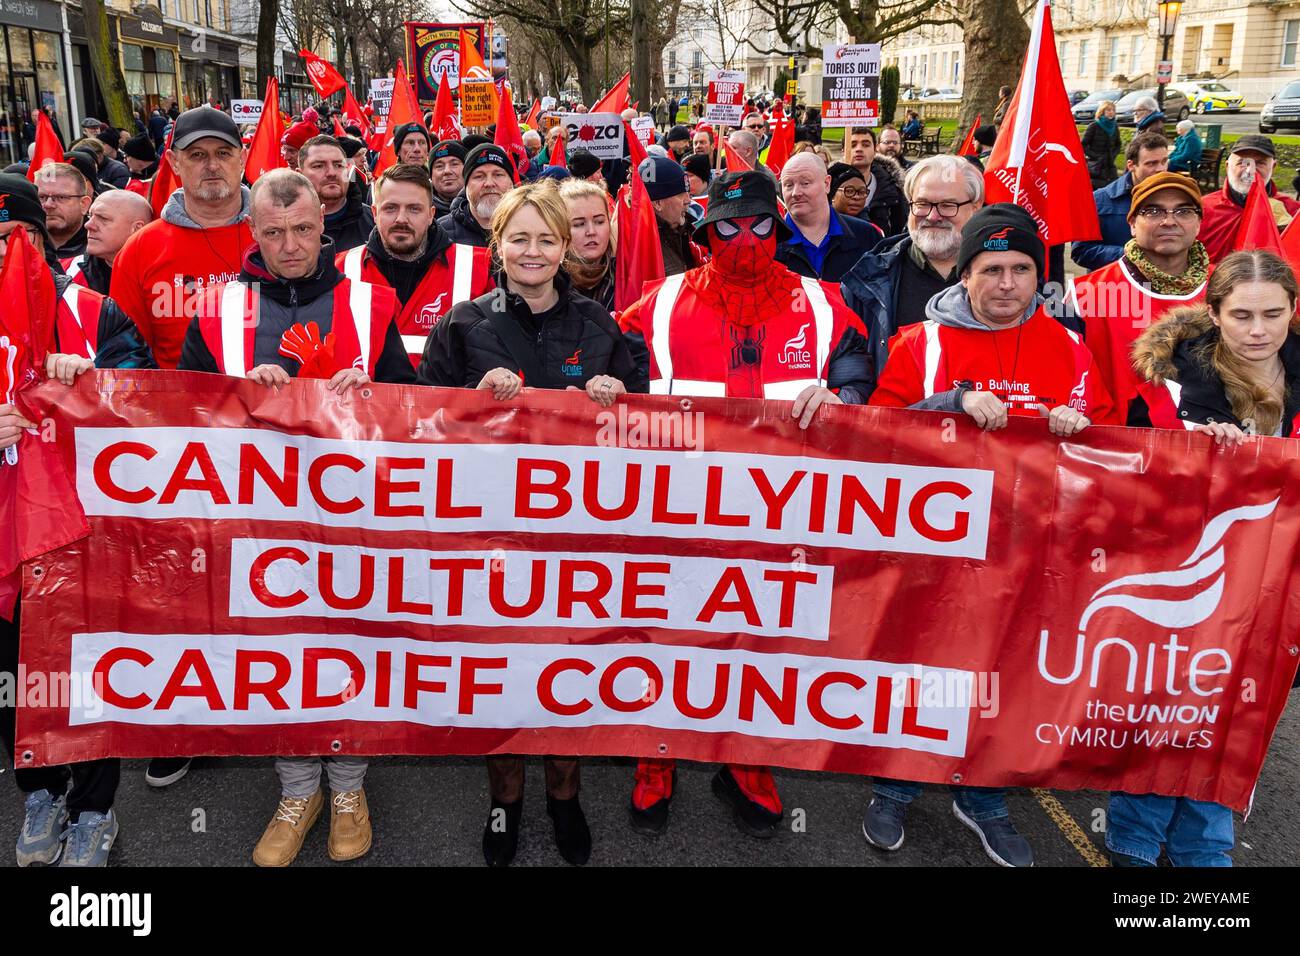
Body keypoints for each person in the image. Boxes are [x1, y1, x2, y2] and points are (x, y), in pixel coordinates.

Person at [617, 170, 872, 838]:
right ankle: (657, 758)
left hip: (785, 512)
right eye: (728, 226)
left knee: (766, 644)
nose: (745, 239)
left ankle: (749, 762)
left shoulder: (824, 302)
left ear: (779, 226)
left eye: (759, 224)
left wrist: (845, 398)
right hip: (676, 508)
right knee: (665, 637)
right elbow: (610, 377)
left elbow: (856, 372)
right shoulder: (658, 302)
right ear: (705, 234)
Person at [173, 169, 412, 866]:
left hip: (355, 516)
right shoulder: (218, 307)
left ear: (325, 227)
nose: (289, 246)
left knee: (350, 648)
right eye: (273, 233)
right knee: (274, 655)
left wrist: (376, 392)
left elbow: (415, 404)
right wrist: (233, 396)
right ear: (252, 232)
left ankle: (347, 786)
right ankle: (296, 787)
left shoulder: (369, 301)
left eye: (303, 230)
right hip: (257, 521)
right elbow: (178, 412)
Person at [865, 208, 1116, 868]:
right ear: (966, 273)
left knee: (1001, 678)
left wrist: (1081, 429)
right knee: (923, 676)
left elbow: (1115, 454)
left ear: (1039, 275)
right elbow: (873, 438)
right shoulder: (921, 346)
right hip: (932, 553)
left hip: (1029, 552)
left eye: (1021, 270)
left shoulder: (1070, 350)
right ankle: (897, 782)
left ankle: (982, 796)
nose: (1007, 284)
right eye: (991, 270)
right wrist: (948, 404)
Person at [418, 185, 642, 868]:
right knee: (499, 676)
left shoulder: (603, 330)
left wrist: (614, 401)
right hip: (488, 538)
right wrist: (468, 405)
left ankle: (565, 796)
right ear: (498, 246)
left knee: (566, 671)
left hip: (577, 539)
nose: (534, 251)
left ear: (566, 247)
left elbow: (645, 440)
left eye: (547, 239)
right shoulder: (461, 324)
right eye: (521, 238)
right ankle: (504, 799)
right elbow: (417, 429)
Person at [1118, 252, 1300, 865]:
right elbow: (1132, 476)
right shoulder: (1171, 383)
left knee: (1238, 713)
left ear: (1293, 311)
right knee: (1168, 705)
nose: (1258, 329)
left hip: (1277, 585)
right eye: (1241, 314)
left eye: (1273, 314)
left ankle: (1204, 852)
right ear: (1214, 313)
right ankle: (1135, 841)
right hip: (1185, 575)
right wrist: (1190, 452)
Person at [0, 173, 156, 867]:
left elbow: (156, 410)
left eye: (13, 238)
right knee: (13, 677)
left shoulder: (94, 312)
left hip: (86, 534)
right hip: (6, 543)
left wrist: (95, 391)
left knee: (87, 677)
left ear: (39, 238)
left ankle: (94, 809)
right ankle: (40, 793)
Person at [111, 106, 253, 373]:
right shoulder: (140, 250)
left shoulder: (277, 237)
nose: (212, 166)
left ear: (243, 158)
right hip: (180, 411)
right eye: (197, 155)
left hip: (266, 408)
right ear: (174, 161)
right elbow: (126, 355)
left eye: (223, 153)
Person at [1069, 170, 1209, 420]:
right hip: (1114, 445)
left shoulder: (1227, 290)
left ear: (1198, 223)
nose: (1169, 221)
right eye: (1153, 211)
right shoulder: (1084, 296)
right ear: (1132, 224)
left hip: (1205, 444)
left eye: (1183, 211)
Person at [841, 153, 985, 389]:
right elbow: (849, 372)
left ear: (976, 208)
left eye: (948, 205)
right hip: (891, 420)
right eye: (922, 204)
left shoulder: (1007, 280)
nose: (933, 216)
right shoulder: (864, 281)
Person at [337, 162, 494, 366]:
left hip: (447, 398)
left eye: (414, 209)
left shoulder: (479, 268)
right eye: (391, 208)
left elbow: (497, 351)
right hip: (366, 398)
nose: (401, 219)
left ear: (430, 215)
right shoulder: (341, 269)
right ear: (375, 213)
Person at [1071, 131, 1170, 271]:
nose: (1160, 169)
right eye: (1151, 164)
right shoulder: (1099, 200)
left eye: (1164, 161)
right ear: (1131, 165)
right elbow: (1081, 251)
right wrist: (1131, 254)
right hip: (1115, 287)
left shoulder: (1177, 199)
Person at [776, 151, 881, 282]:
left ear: (827, 184)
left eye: (805, 183)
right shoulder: (769, 243)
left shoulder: (866, 236)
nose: (796, 193)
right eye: (789, 185)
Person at [1197, 135, 1299, 263]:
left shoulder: (1293, 212)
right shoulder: (1202, 209)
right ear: (1228, 166)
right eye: (1242, 163)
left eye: (1260, 163)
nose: (1251, 170)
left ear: (1273, 167)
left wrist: (1288, 232)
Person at [63, 189, 153, 295]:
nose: (88, 225)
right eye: (90, 216)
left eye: (103, 218)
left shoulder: (164, 276)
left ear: (137, 229)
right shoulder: (65, 272)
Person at [299, 134, 373, 252]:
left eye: (339, 165)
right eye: (319, 166)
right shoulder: (284, 225)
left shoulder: (374, 221)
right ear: (300, 174)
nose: (331, 173)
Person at [438, 143, 515, 248]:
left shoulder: (531, 226)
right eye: (479, 176)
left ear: (511, 183)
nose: (489, 183)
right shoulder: (441, 232)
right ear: (466, 186)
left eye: (498, 175)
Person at [558, 177, 615, 310]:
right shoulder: (548, 283)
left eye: (599, 222)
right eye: (579, 224)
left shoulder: (628, 276)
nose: (591, 231)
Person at [640, 154, 700, 275]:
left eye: (688, 193)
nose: (688, 200)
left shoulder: (686, 230)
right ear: (657, 203)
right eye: (680, 194)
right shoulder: (642, 246)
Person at [845, 126, 907, 236]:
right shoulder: (829, 188)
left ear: (875, 150)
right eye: (853, 145)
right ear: (844, 151)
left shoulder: (893, 186)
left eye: (866, 144)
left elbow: (899, 231)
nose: (859, 149)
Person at [34, 163, 91, 258]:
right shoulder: (20, 247)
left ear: (84, 204)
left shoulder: (104, 251)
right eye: (42, 197)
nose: (48, 204)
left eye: (61, 197)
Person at [1082, 100, 1121, 188]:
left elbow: (1118, 144)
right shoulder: (1094, 126)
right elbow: (1083, 145)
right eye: (1108, 110)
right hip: (1096, 166)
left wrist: (1113, 155)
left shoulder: (1115, 126)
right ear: (1102, 112)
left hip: (1110, 165)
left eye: (1113, 110)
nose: (1111, 112)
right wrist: (1095, 156)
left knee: (1113, 187)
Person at [429, 139, 466, 217]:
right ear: (431, 175)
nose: (447, 171)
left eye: (454, 164)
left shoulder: (481, 208)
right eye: (439, 166)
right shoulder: (421, 210)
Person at [121, 132, 158, 197]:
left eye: (126, 156)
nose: (124, 160)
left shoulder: (141, 186)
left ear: (139, 158)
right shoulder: (140, 175)